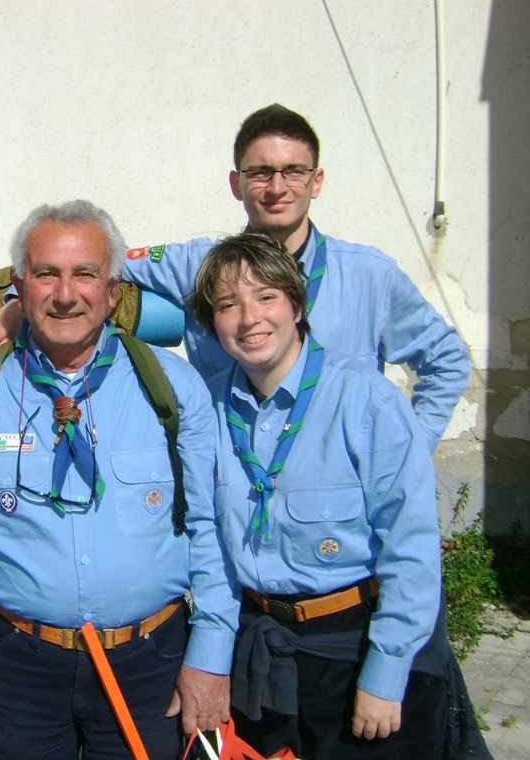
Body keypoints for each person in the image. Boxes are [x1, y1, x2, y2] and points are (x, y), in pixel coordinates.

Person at [0, 200, 238, 760]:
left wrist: (210, 654)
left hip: (151, 668)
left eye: (86, 274)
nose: (66, 294)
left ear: (112, 291)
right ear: (19, 286)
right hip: (16, 671)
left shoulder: (172, 386)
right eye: (46, 274)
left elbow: (211, 529)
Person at [0, 104, 468, 453]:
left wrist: (411, 452)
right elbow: (90, 264)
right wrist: (11, 309)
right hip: (239, 486)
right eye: (259, 172)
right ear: (235, 183)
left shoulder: (369, 275)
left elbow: (446, 358)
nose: (276, 187)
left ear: (317, 181)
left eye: (293, 171)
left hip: (346, 490)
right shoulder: (199, 263)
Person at [187, 232, 456, 759]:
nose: (249, 318)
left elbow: (411, 546)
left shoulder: (366, 400)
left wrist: (385, 673)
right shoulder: (208, 410)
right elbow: (209, 544)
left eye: (266, 297)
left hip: (355, 648)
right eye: (227, 305)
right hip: (261, 655)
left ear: (296, 304)